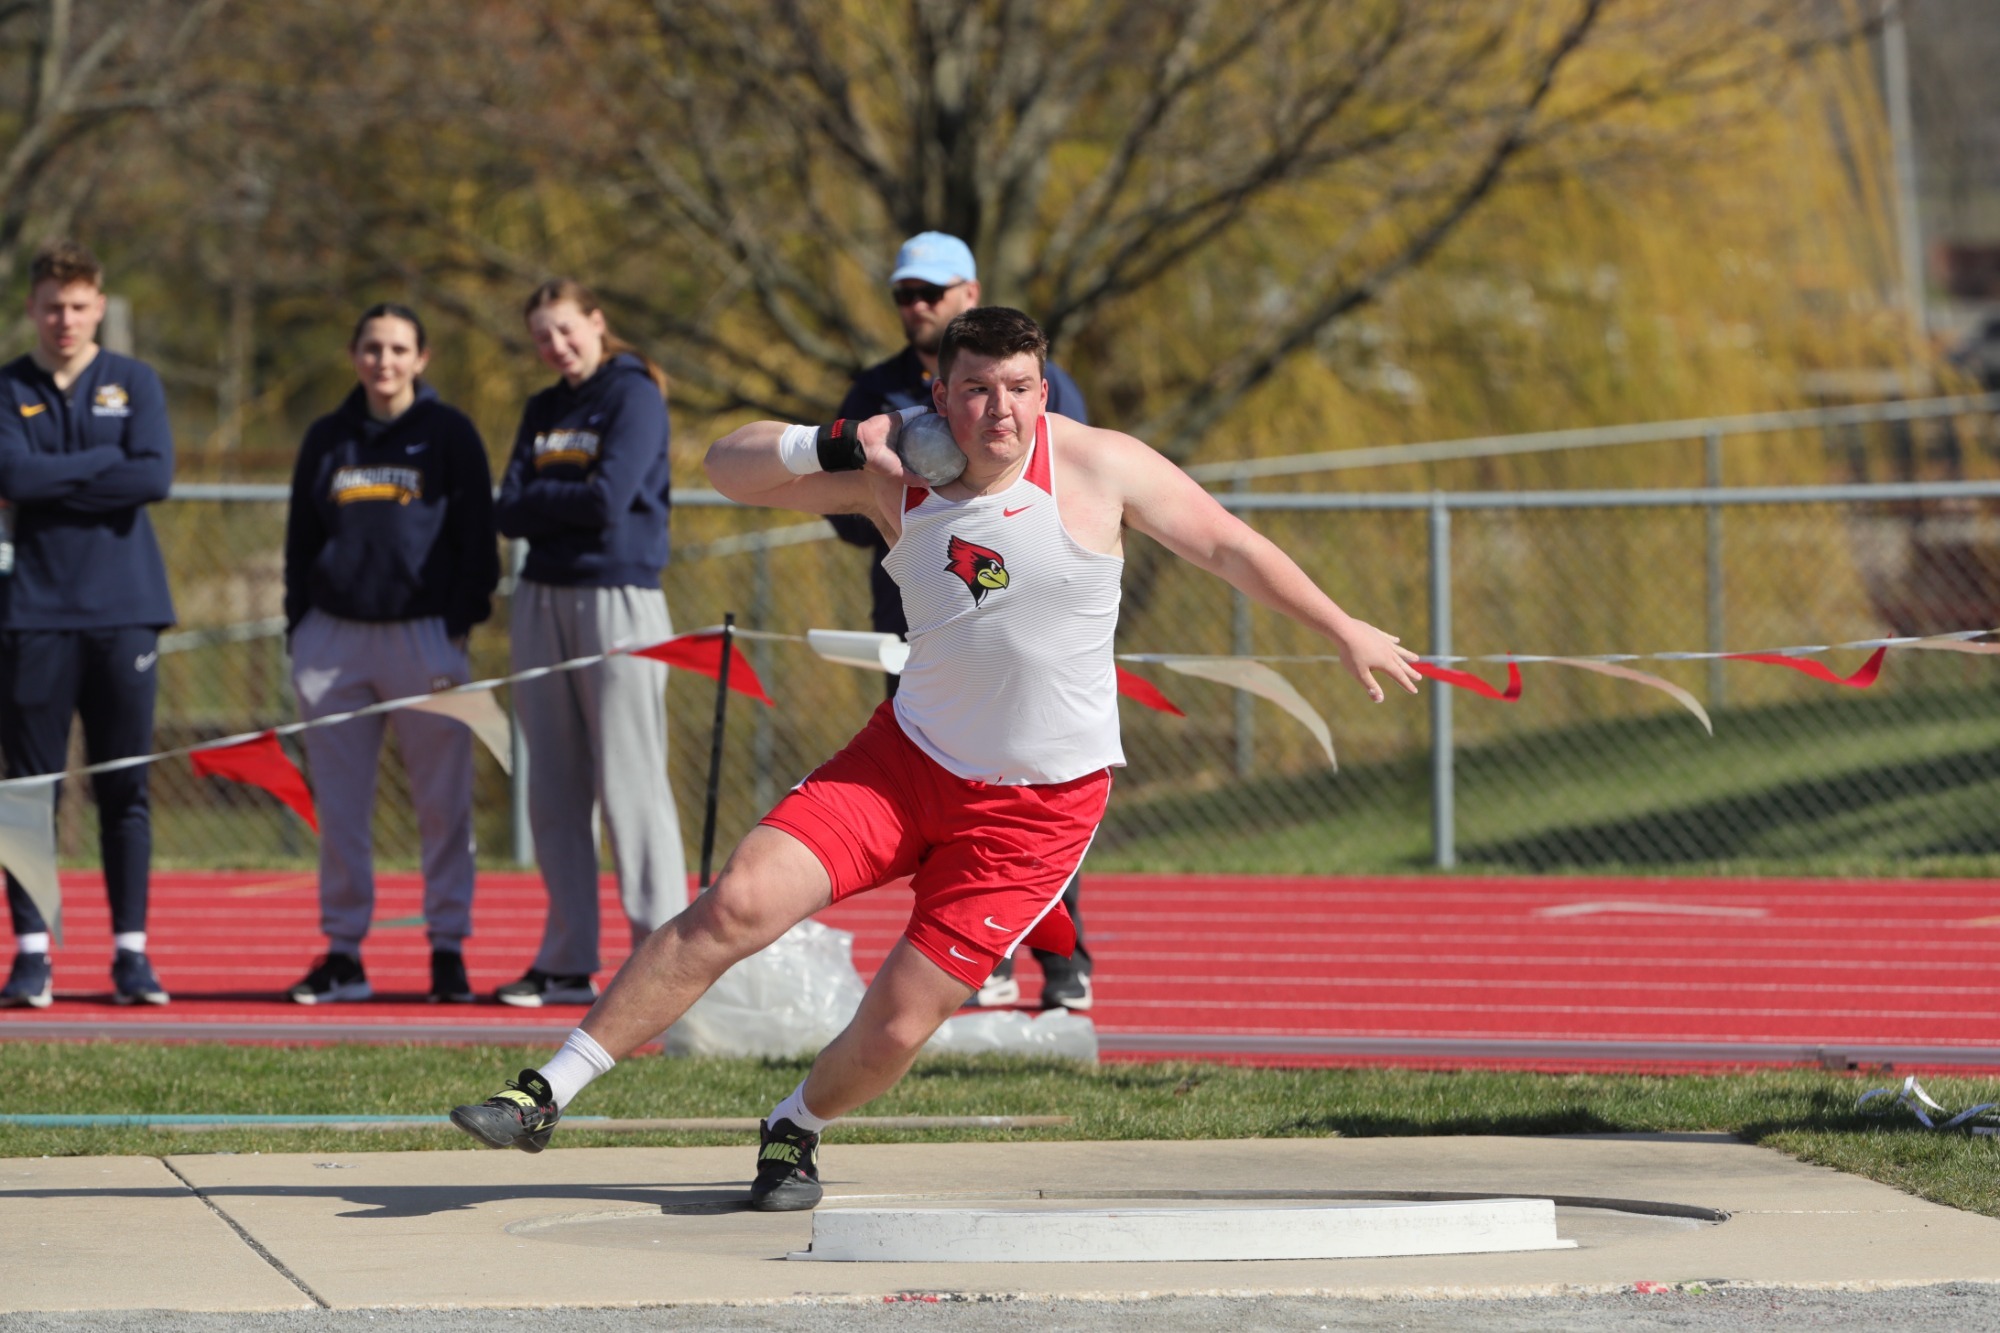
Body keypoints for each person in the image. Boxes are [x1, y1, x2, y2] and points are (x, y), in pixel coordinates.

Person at [449, 307, 1420, 1212]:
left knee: (900, 1023)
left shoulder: (1098, 466)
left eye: (1016, 386)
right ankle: (544, 1091)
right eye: (975, 389)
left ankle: (793, 1126)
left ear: (1041, 392)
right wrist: (833, 440)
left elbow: (1226, 544)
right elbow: (722, 469)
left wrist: (1338, 628)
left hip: (1035, 810)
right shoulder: (896, 472)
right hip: (906, 762)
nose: (997, 408)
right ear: (939, 394)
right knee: (737, 900)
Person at [826, 231, 1096, 1012]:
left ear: (968, 294)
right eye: (904, 294)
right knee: (941, 797)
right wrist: (904, 493)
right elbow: (847, 507)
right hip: (920, 624)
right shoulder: (876, 389)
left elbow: (1064, 482)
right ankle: (979, 955)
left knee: (1035, 788)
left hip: (1028, 632)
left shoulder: (1036, 382)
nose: (916, 306)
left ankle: (1065, 957)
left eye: (931, 293)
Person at [281, 304, 500, 1005]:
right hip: (334, 638)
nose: (384, 361)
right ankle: (343, 953)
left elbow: (477, 534)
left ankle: (446, 951)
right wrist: (301, 623)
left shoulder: (448, 434)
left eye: (398, 348)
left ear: (421, 357)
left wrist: (461, 617)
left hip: (424, 633)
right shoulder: (327, 437)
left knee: (443, 803)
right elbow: (300, 537)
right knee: (341, 806)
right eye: (372, 348)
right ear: (355, 355)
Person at [492, 278, 685, 1007]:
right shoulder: (544, 407)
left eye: (566, 330)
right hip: (542, 596)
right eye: (543, 336)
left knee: (630, 783)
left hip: (619, 596)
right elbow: (506, 509)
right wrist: (544, 507)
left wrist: (538, 504)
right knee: (554, 786)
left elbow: (608, 501)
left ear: (597, 323)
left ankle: (660, 956)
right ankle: (567, 954)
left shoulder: (632, 395)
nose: (557, 346)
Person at [0, 241, 174, 1009]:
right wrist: (104, 463)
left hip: (126, 611)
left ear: (98, 305)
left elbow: (154, 474)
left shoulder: (135, 381)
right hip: (33, 611)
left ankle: (130, 954)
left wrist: (55, 481)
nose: (64, 319)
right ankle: (33, 953)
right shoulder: (9, 387)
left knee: (124, 787)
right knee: (27, 789)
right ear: (32, 308)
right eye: (51, 306)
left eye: (77, 305)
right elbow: (11, 477)